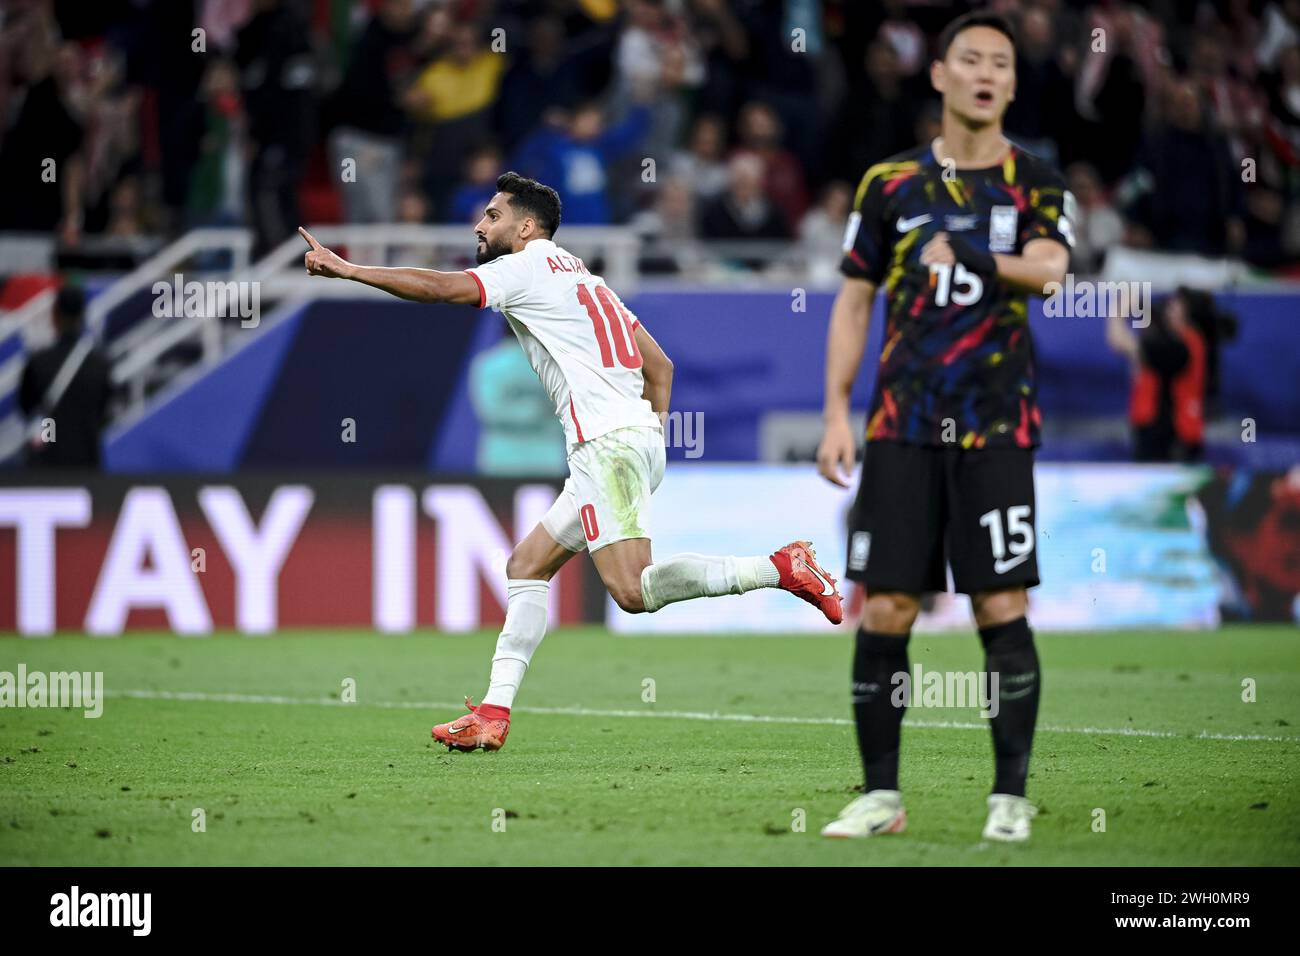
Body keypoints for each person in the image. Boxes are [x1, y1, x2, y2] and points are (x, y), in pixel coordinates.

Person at [297, 172, 843, 752]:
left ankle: (780, 566)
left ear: (525, 226)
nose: (480, 226)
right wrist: (645, 438)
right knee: (527, 565)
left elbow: (440, 288)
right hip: (624, 442)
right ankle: (492, 713)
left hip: (606, 446)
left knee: (632, 593)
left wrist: (351, 269)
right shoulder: (585, 277)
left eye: (492, 215)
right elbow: (661, 369)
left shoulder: (526, 267)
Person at [814, 12, 1073, 843]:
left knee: (1000, 601)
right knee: (886, 606)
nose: (985, 73)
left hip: (996, 426)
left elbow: (1052, 274)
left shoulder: (1036, 181)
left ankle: (1008, 798)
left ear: (1011, 83)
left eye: (1000, 62)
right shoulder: (886, 185)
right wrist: (835, 413)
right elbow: (855, 299)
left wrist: (973, 255)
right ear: (940, 75)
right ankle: (881, 798)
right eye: (970, 59)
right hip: (901, 426)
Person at [1106, 287, 1235, 462]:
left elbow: (1119, 342)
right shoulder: (1187, 341)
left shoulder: (1179, 347)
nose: (1168, 309)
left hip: (1170, 441)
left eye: (1175, 306)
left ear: (1187, 314)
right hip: (1167, 437)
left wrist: (1118, 311)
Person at [18, 285, 111, 468]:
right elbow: (104, 412)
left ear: (54, 316)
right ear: (83, 316)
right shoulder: (100, 365)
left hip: (47, 463)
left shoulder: (38, 363)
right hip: (87, 463)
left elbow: (26, 409)